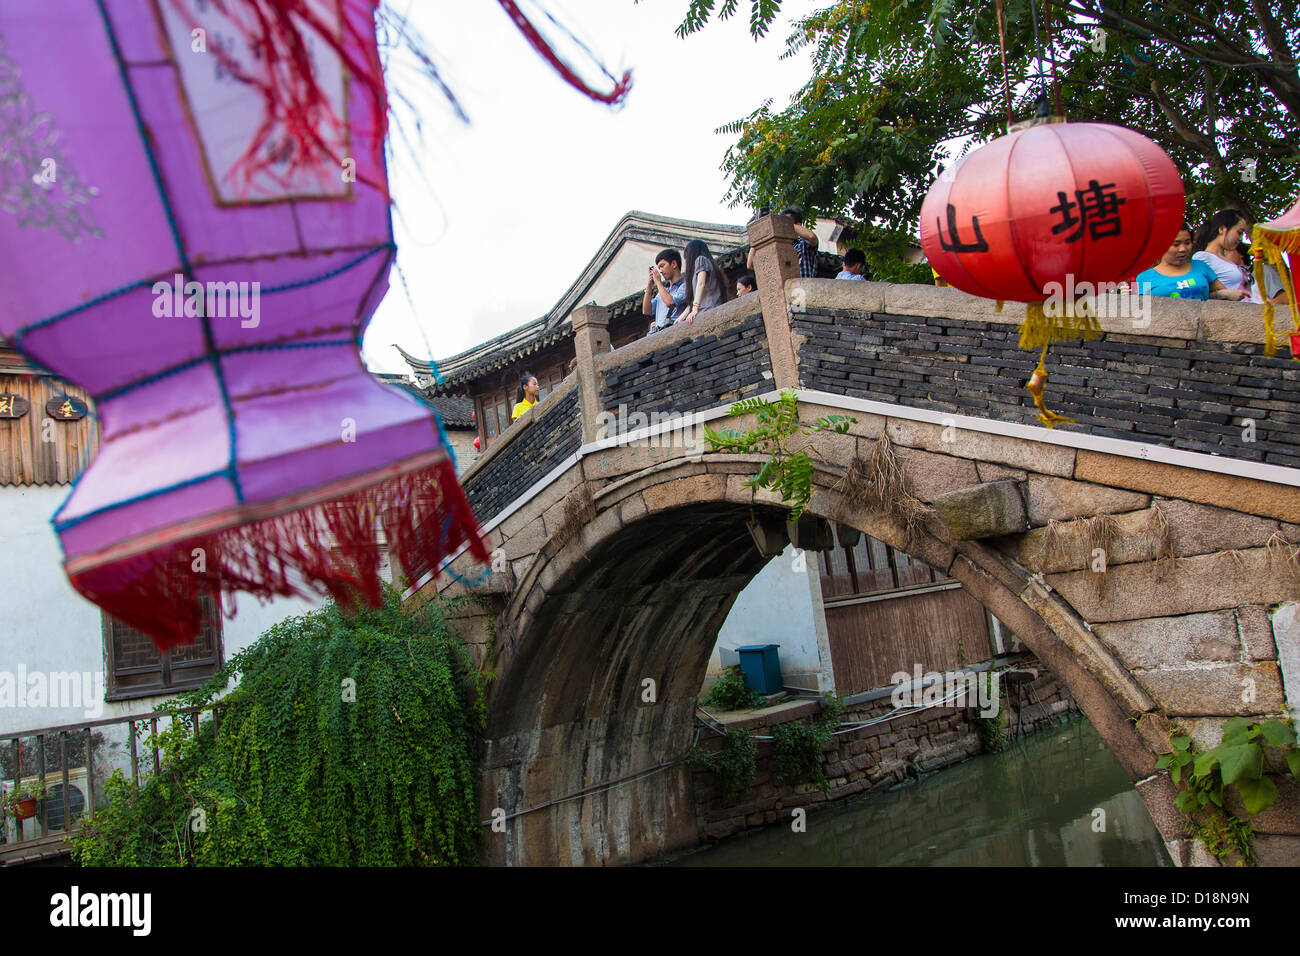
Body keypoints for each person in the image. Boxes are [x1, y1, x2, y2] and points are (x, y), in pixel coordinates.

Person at [1135, 224, 1248, 301]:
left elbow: (1222, 294)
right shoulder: (1144, 277)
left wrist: (1222, 294)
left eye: (1187, 243)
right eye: (1176, 244)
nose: (1183, 249)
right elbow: (1138, 311)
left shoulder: (1201, 266)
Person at [746, 206, 819, 277]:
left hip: (803, 287)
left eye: (786, 221)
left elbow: (811, 237)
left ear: (798, 225)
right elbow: (750, 265)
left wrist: (787, 223)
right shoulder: (777, 246)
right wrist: (760, 236)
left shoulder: (803, 244)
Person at [1193, 209, 1251, 293]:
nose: (1240, 239)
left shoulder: (1226, 260)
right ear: (1222, 229)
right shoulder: (1203, 257)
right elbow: (1199, 291)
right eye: (1239, 232)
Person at [679, 238, 730, 325]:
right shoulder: (709, 263)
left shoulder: (700, 260)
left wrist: (695, 309)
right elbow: (694, 299)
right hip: (709, 309)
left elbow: (701, 283)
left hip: (708, 309)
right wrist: (680, 318)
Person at [642, 249, 687, 336]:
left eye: (662, 266)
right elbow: (647, 310)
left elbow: (670, 302)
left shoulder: (685, 285)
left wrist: (658, 282)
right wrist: (649, 287)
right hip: (660, 334)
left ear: (674, 264)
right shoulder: (663, 290)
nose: (661, 271)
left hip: (676, 332)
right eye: (659, 268)